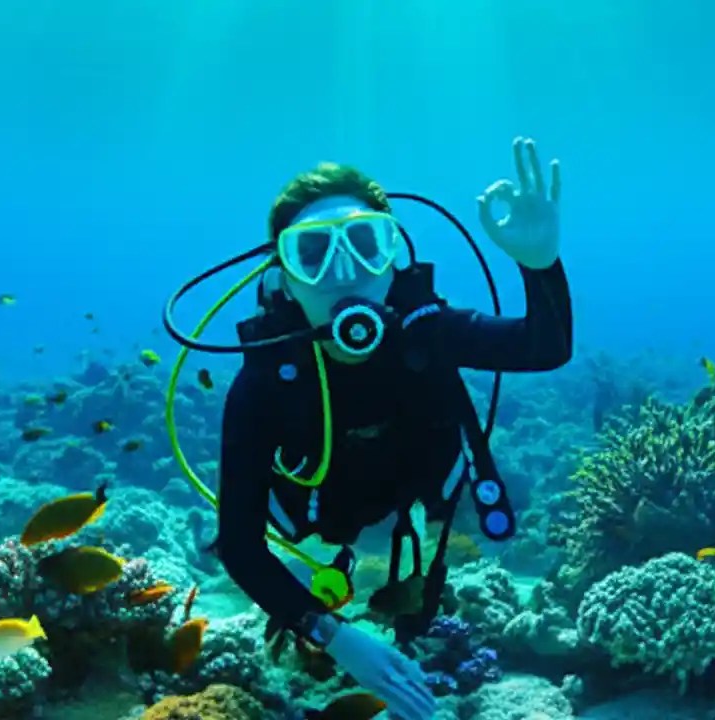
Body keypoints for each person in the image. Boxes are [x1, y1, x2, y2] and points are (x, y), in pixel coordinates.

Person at [168, 137, 572, 720]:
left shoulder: (428, 330)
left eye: (364, 244)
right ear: (284, 278)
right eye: (313, 253)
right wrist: (335, 636)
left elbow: (545, 346)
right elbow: (240, 545)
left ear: (392, 258)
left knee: (416, 608)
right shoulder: (267, 381)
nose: (343, 273)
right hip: (315, 515)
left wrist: (540, 265)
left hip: (416, 497)